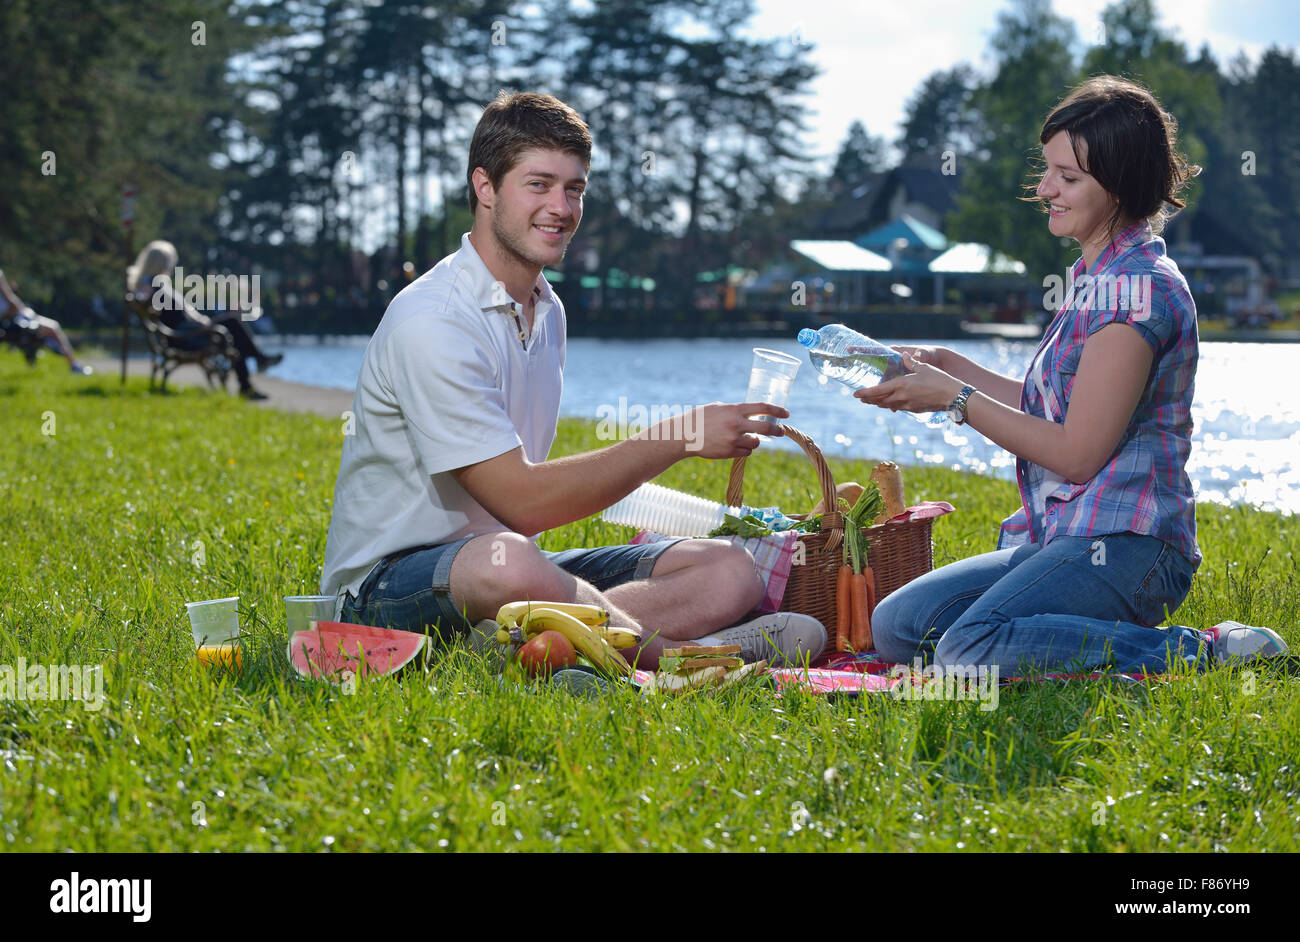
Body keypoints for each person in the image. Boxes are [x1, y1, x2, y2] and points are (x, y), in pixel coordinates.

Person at [320, 91, 825, 669]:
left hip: (517, 563)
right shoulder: (434, 321)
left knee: (730, 568)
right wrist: (676, 437)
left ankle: (530, 643)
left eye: (574, 188)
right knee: (503, 560)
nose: (561, 207)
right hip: (386, 589)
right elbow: (522, 501)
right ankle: (682, 660)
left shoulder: (546, 308)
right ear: (485, 187)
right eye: (538, 184)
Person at [857, 75, 1287, 675]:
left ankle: (1210, 651)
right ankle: (1056, 636)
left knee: (965, 648)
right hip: (1068, 537)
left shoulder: (1138, 292)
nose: (1045, 188)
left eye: (1069, 178)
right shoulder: (1097, 279)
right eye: (1049, 170)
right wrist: (952, 368)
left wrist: (956, 399)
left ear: (1120, 185)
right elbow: (1054, 407)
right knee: (898, 626)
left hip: (1130, 549)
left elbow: (1078, 454)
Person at [125, 240, 282, 400]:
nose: (171, 266)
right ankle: (254, 371)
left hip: (190, 331)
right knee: (233, 325)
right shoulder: (151, 283)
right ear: (161, 263)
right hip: (186, 337)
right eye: (170, 262)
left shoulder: (154, 283)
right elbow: (141, 297)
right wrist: (138, 298)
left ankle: (253, 373)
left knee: (233, 331)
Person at [0, 268, 93, 374]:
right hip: (15, 318)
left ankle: (56, 350)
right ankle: (73, 364)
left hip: (13, 318)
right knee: (53, 327)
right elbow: (11, 302)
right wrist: (20, 310)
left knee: (48, 331)